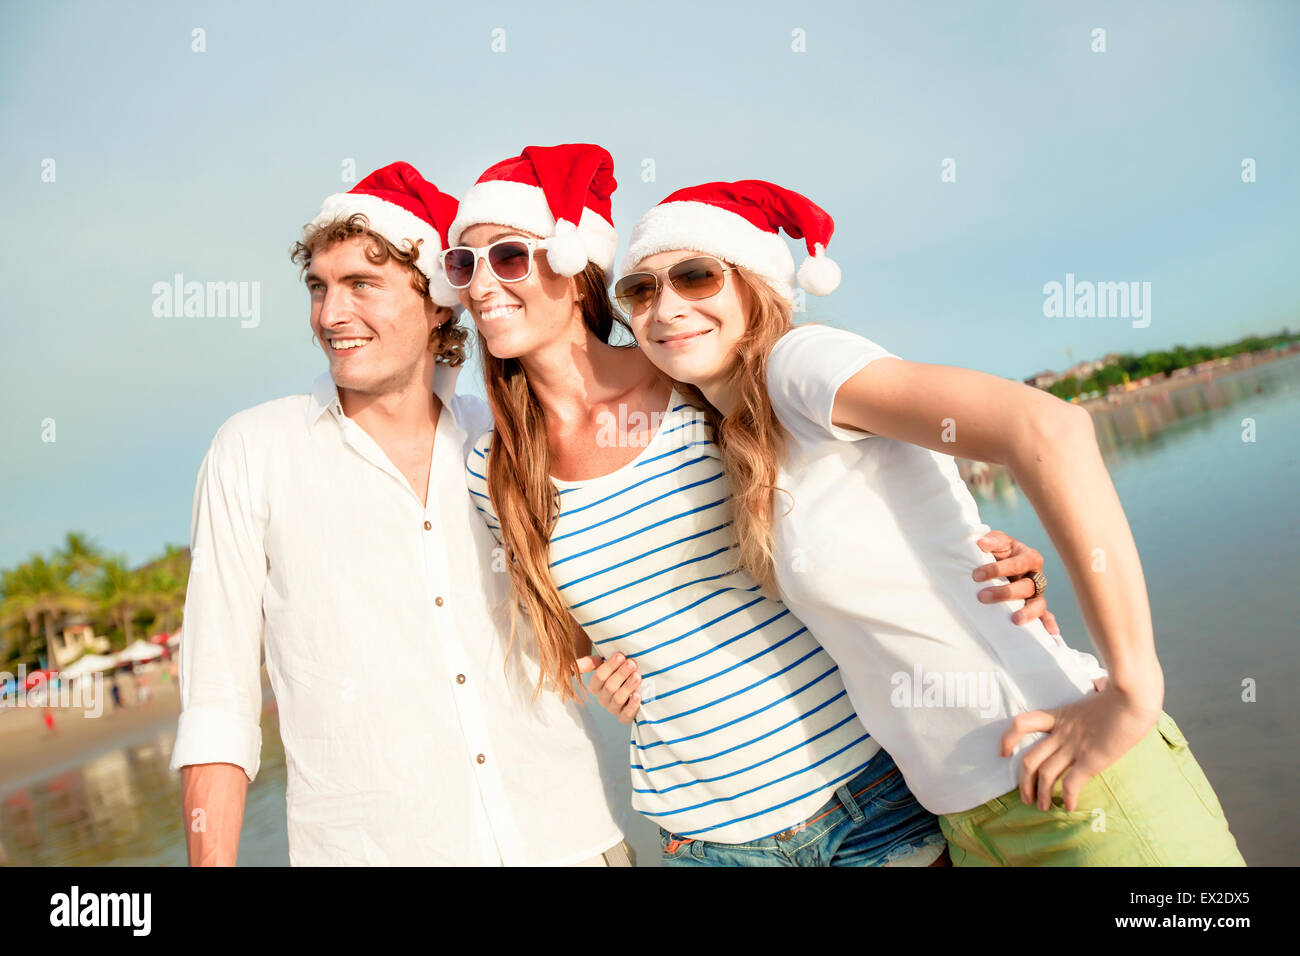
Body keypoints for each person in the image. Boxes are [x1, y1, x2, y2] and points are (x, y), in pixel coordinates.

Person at [449, 144, 1059, 866]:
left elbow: (856, 486)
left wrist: (979, 561)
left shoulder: (694, 375)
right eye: (463, 263)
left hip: (872, 792)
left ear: (574, 262)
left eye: (509, 256)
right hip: (708, 839)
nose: (481, 283)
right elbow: (573, 632)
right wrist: (602, 673)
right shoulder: (495, 470)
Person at [608, 179, 1245, 866]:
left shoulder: (800, 364)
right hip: (967, 825)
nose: (665, 306)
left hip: (1077, 792)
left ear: (755, 287)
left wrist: (1132, 688)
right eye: (639, 290)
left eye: (695, 276)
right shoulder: (746, 438)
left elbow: (1047, 428)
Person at [169, 162, 630, 866]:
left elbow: (586, 622)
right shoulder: (253, 452)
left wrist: (617, 664)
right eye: (318, 288)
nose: (330, 314)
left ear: (439, 304)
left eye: (362, 285)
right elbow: (216, 707)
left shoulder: (505, 439)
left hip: (572, 839)